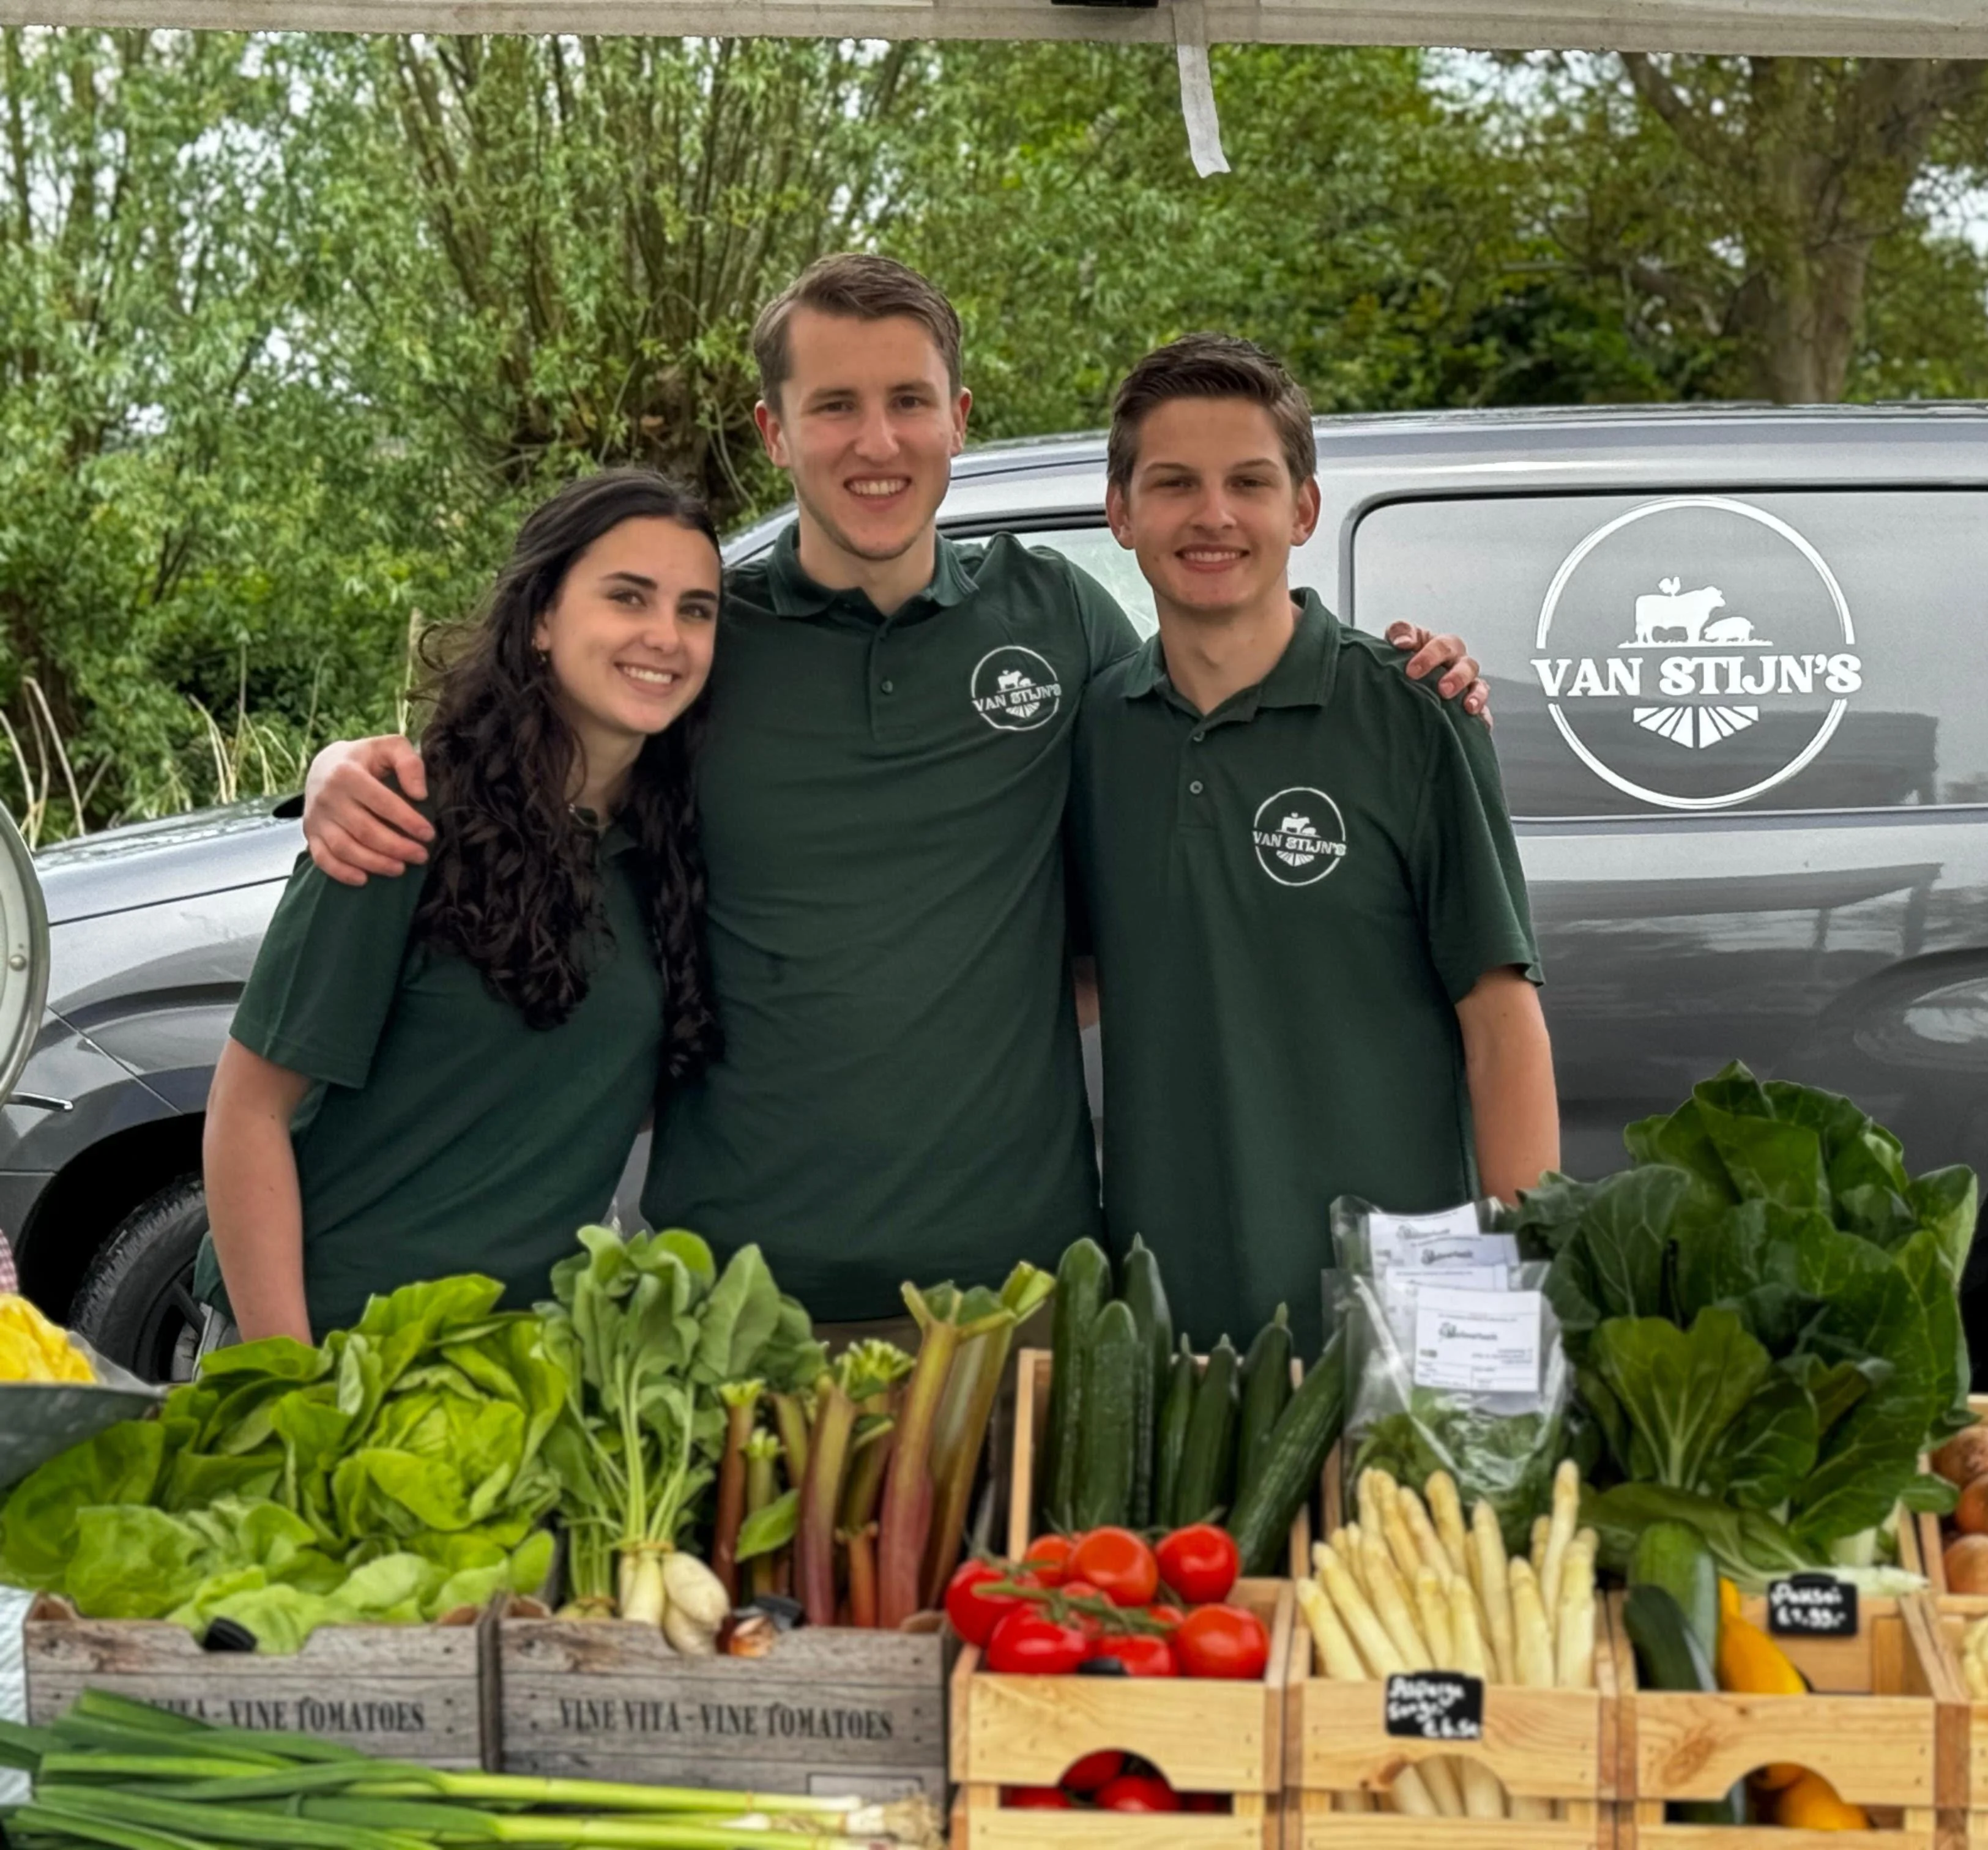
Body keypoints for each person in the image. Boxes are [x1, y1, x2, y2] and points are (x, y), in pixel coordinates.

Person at [295, 256, 1487, 1323]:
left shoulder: (1057, 617)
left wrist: (1412, 682)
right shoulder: (710, 644)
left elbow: (1205, 744)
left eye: (909, 401)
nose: (879, 443)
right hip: (736, 1303)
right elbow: (544, 749)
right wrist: (342, 771)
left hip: (1015, 1297)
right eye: (836, 407)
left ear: (958, 419)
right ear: (775, 432)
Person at [1068, 335, 1557, 1340]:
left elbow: (1501, 1022)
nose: (1213, 515)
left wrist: (1515, 1301)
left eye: (1248, 481)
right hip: (1174, 1310)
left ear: (1302, 508)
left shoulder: (1413, 714)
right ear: (1120, 513)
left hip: (1398, 1305)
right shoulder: (1095, 733)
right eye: (1174, 484)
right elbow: (1080, 976)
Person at [199, 470, 723, 1342]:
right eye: (628, 597)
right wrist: (287, 1378)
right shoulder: (398, 820)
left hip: (511, 1377)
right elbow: (248, 1111)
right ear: (544, 619)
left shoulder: (672, 860)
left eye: (696, 610)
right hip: (331, 1349)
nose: (664, 636)